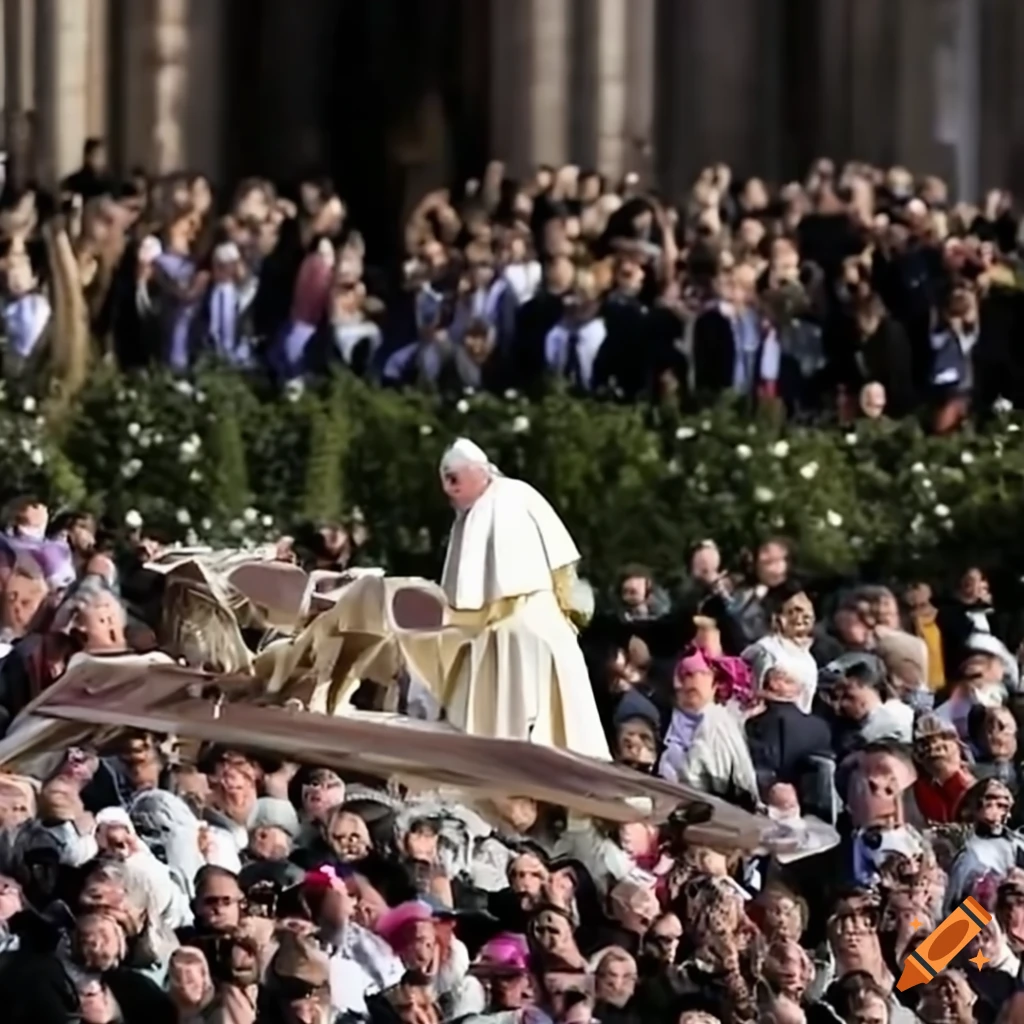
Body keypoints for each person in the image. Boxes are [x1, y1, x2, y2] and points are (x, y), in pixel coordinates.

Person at [420, 437, 610, 760]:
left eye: (454, 479)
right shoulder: (477, 509)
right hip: (500, 631)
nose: (449, 490)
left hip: (523, 627)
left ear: (477, 472)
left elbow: (515, 584)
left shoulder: (508, 498)